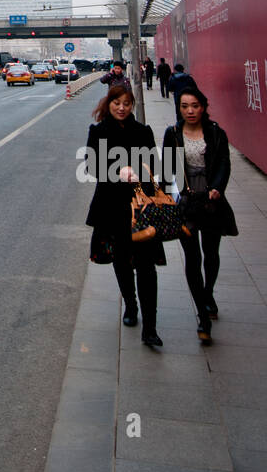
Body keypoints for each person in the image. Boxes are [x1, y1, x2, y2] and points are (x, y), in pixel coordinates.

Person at [85, 84, 165, 347]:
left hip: (141, 207)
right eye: (117, 103)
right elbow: (92, 166)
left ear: (133, 106)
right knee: (120, 261)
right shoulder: (98, 132)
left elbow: (155, 166)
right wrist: (118, 172)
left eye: (127, 104)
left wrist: (140, 173)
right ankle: (130, 305)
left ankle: (150, 328)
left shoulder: (143, 131)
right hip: (111, 207)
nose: (121, 108)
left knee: (146, 266)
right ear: (109, 104)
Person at [160, 88, 237, 345]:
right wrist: (161, 195)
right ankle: (203, 313)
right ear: (179, 108)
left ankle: (208, 292)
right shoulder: (172, 134)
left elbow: (224, 163)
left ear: (203, 106)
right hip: (187, 202)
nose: (190, 111)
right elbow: (169, 167)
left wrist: (217, 187)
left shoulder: (216, 132)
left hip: (212, 200)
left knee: (211, 254)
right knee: (192, 258)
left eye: (194, 105)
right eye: (184, 106)